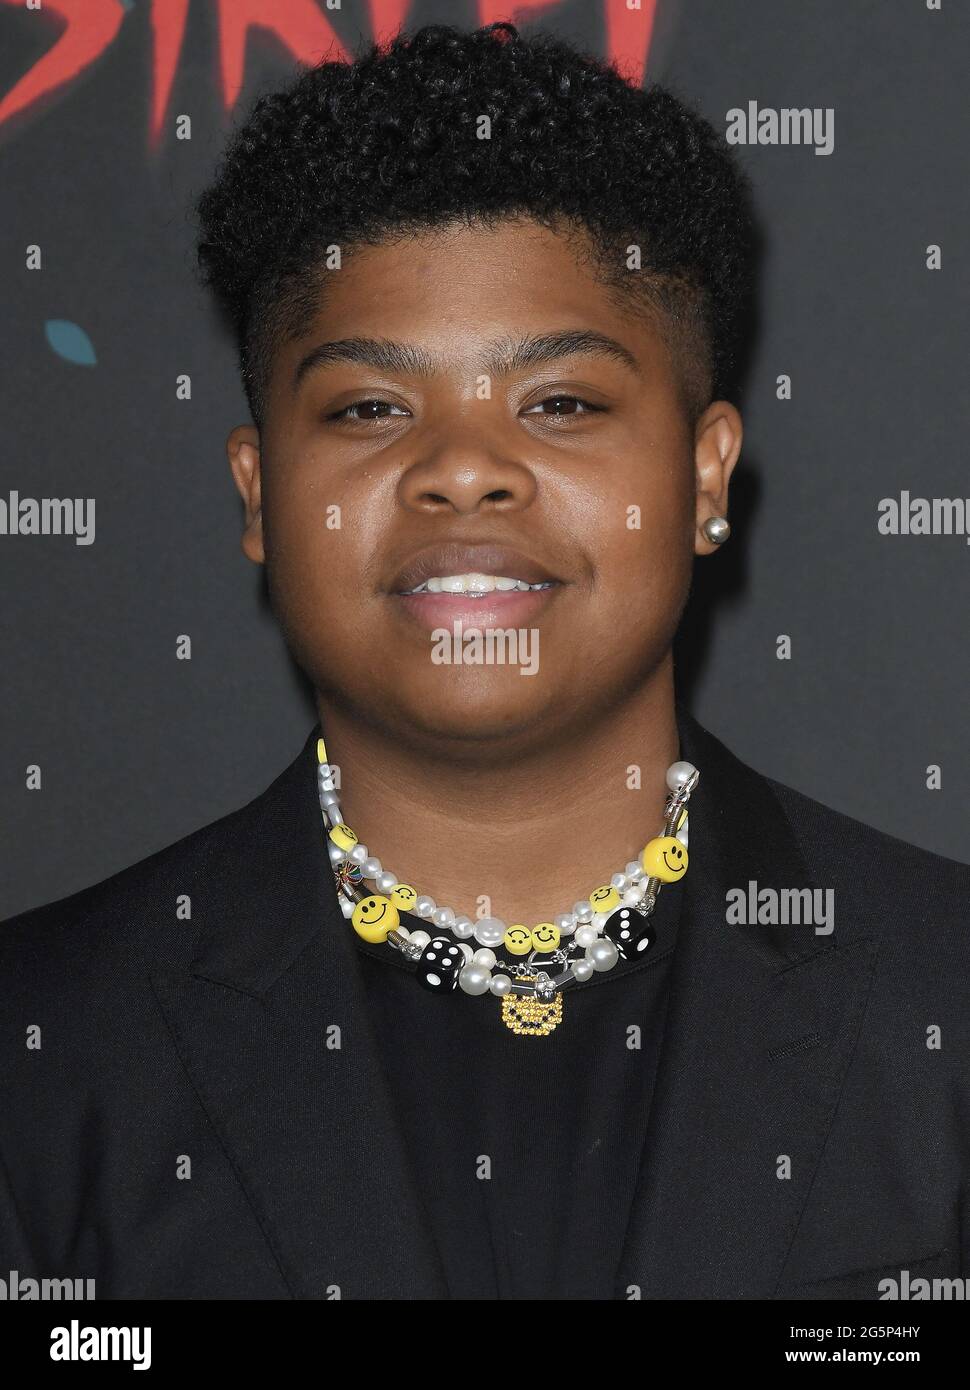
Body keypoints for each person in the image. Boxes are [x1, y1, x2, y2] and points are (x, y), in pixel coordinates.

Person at [1, 21, 968, 1303]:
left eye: (560, 402)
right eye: (368, 408)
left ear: (702, 475)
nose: (463, 466)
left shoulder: (937, 995)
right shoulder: (44, 1050)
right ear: (256, 494)